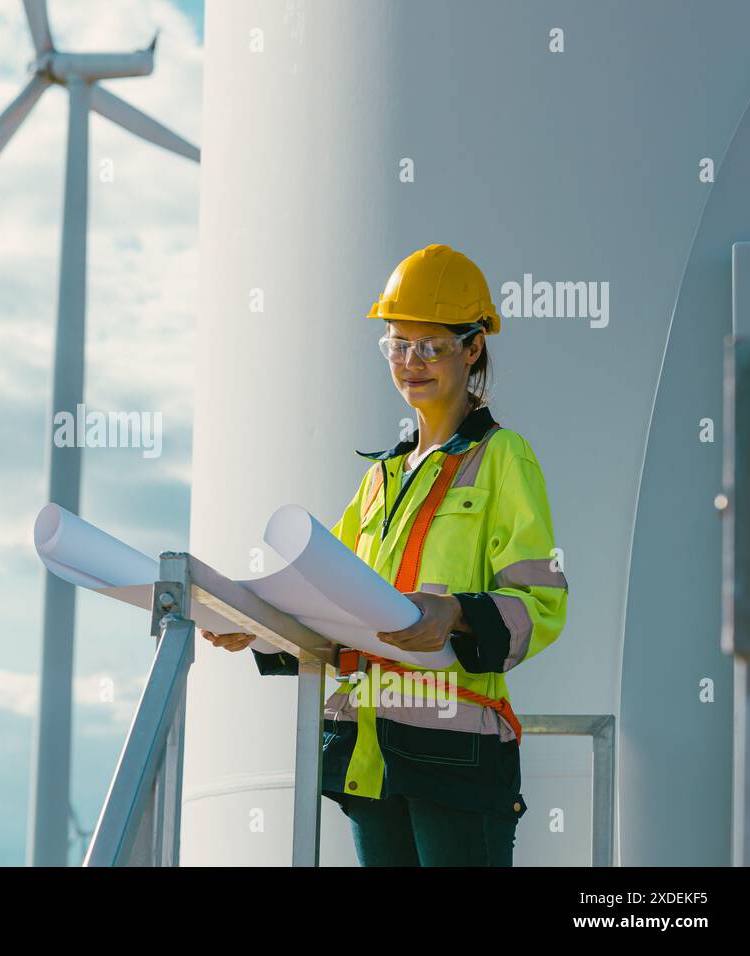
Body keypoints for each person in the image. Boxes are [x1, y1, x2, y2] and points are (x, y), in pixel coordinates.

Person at [200, 244, 568, 867]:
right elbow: (324, 597)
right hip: (369, 755)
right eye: (397, 345)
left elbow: (543, 603)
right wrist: (258, 626)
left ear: (473, 347)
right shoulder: (382, 478)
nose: (410, 363)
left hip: (455, 760)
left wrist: (453, 612)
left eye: (430, 346)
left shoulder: (505, 458)